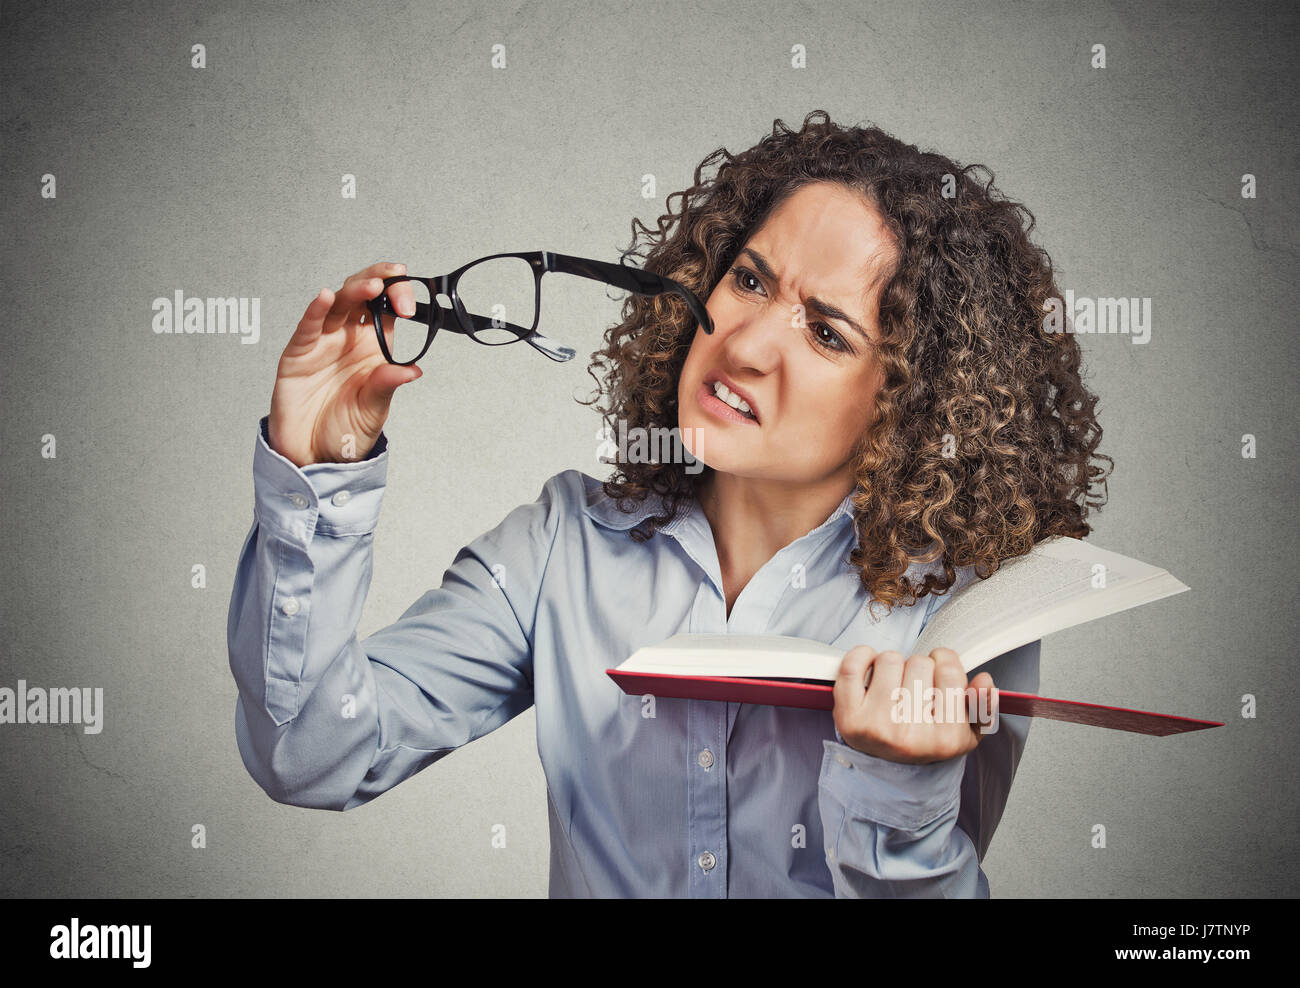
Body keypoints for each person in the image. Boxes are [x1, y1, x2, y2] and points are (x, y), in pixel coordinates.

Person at [227, 110, 1111, 897]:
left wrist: (900, 797)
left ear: (907, 400)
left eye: (828, 331)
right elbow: (312, 754)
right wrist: (319, 473)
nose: (748, 343)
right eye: (751, 281)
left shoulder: (963, 619)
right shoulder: (561, 547)